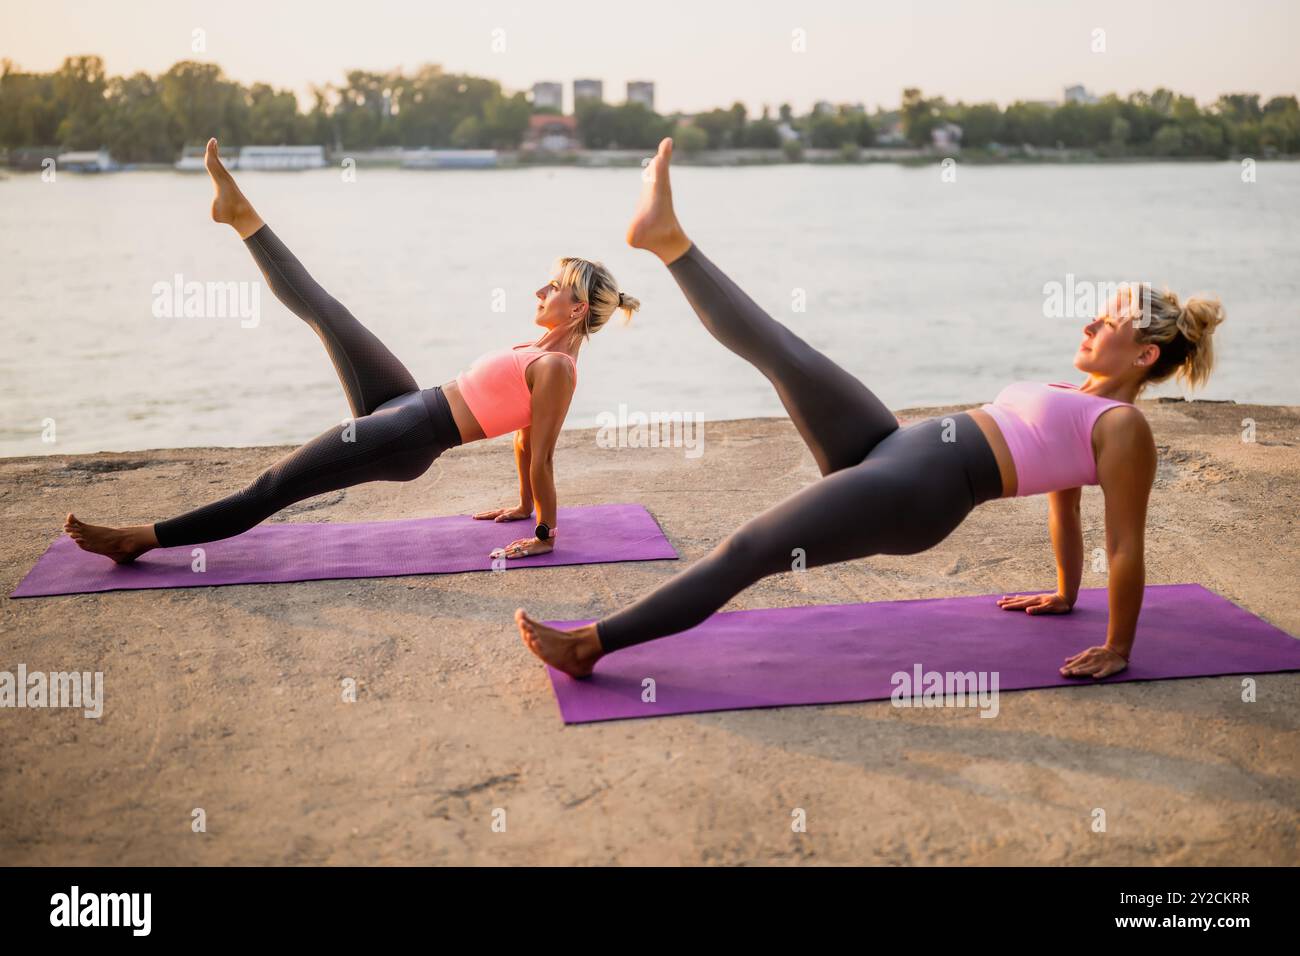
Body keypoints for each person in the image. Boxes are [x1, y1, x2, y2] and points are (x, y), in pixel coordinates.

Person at [517, 137, 1225, 681]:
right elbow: (1064, 505)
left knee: (752, 547)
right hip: (891, 445)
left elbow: (1125, 542)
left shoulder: (1125, 427)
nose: (1089, 326)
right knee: (783, 352)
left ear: (1145, 358)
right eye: (1094, 316)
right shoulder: (1077, 400)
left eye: (1109, 325)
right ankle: (668, 240)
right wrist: (1066, 595)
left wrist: (1116, 645)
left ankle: (589, 645)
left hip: (919, 493)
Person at [65, 138, 639, 564]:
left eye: (554, 288)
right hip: (408, 399)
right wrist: (520, 504)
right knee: (327, 310)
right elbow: (520, 437)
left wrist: (544, 533)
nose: (541, 291)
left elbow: (541, 455)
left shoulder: (559, 369)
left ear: (578, 311)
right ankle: (241, 216)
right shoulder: (540, 346)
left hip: (409, 436)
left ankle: (138, 539)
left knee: (274, 486)